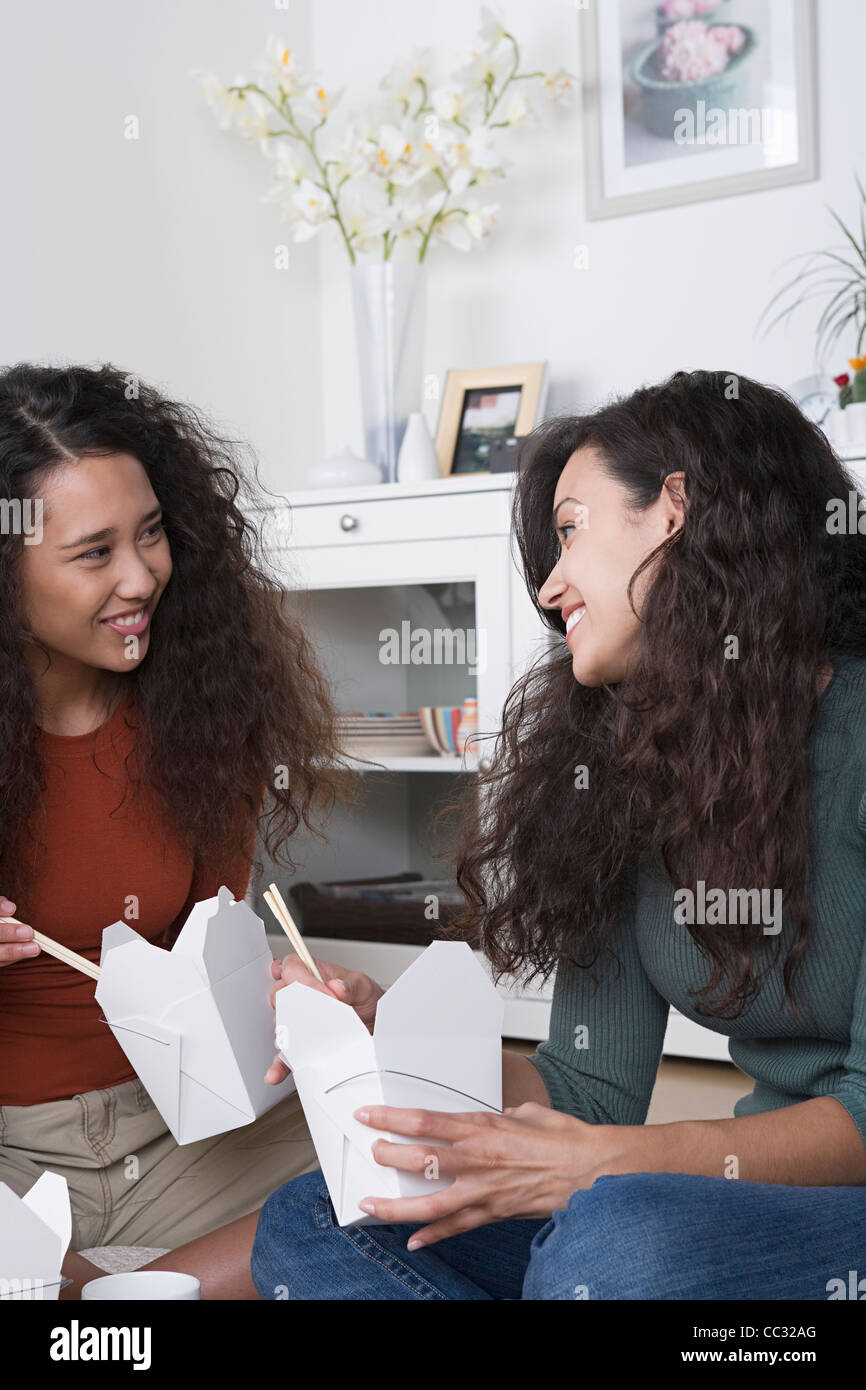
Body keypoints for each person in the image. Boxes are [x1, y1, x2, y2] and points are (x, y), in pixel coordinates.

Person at [251, 369, 866, 1300]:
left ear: (675, 510)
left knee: (613, 1238)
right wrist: (390, 1038)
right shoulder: (629, 771)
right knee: (318, 1218)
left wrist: (604, 1168)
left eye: (571, 529)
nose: (548, 586)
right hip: (729, 1201)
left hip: (840, 1205)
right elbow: (585, 1089)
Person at [0, 360, 362, 1299]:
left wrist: (298, 1008)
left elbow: (205, 971)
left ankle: (103, 1294)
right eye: (93, 553)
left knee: (463, 1116)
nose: (140, 577)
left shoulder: (202, 716)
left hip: (178, 1132)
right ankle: (156, 1285)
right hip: (9, 1147)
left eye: (152, 533)